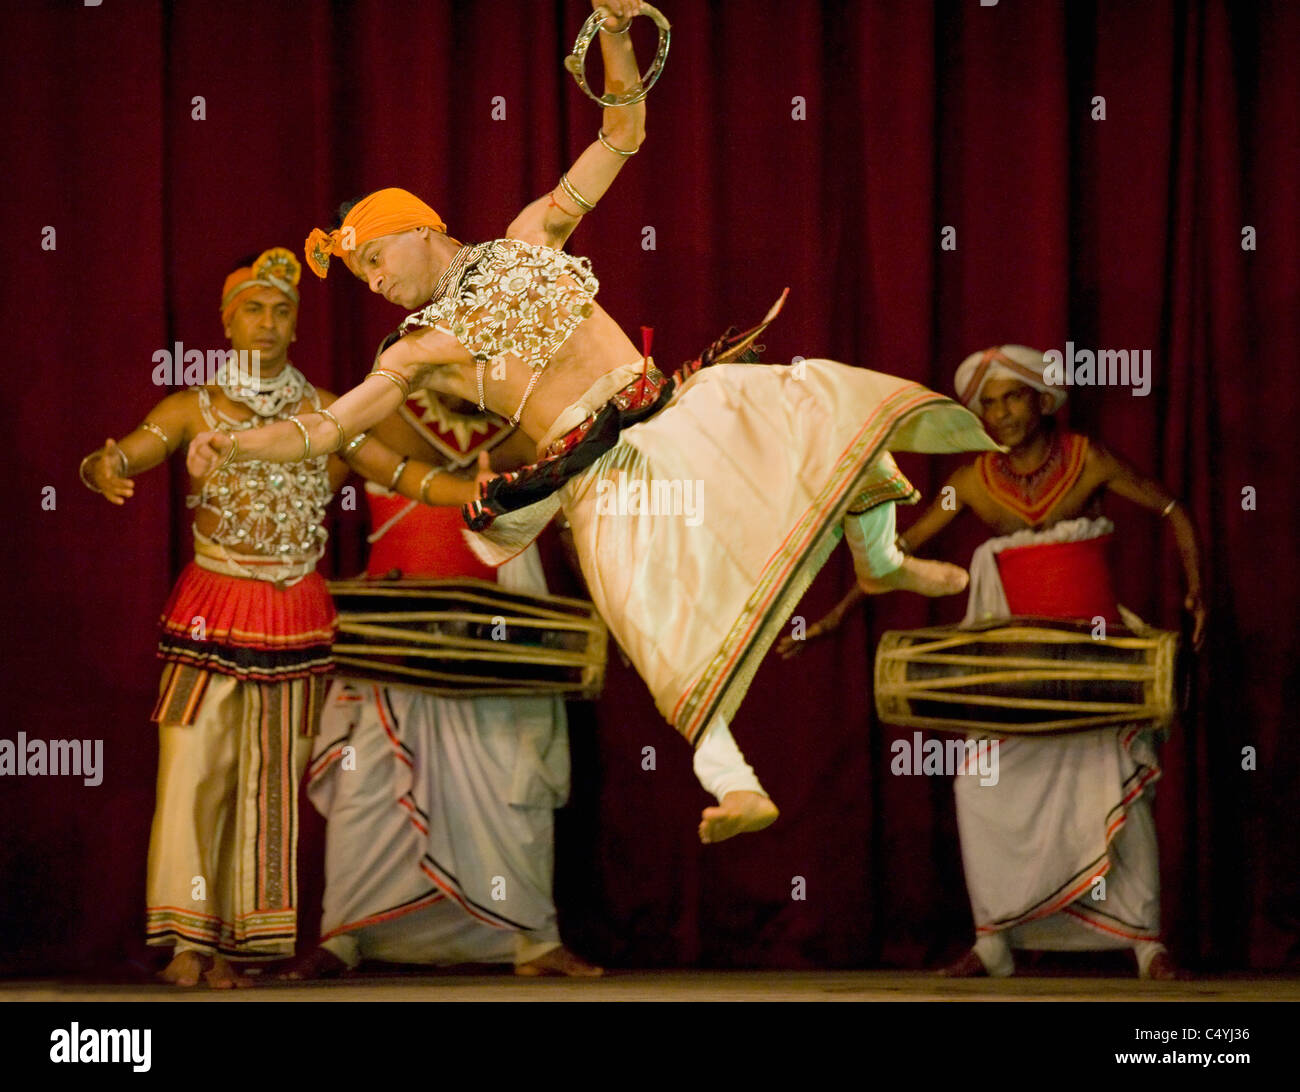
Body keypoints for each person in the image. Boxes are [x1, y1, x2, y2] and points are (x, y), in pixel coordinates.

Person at [188, 0, 999, 844]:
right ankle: (733, 782)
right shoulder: (418, 349)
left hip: (670, 411)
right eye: (359, 273)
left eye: (374, 258)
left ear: (420, 229)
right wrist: (237, 442)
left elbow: (622, 131)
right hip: (599, 477)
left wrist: (614, 33)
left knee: (818, 410)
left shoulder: (530, 237)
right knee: (650, 619)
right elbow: (328, 429)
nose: (373, 282)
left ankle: (882, 560)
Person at [81, 247, 474, 988]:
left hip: (294, 613)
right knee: (194, 776)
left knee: (268, 786)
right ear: (227, 322)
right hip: (214, 607)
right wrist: (101, 469)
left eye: (281, 310)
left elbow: (406, 475)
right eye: (253, 308)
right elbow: (126, 455)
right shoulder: (190, 408)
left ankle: (239, 944)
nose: (268, 321)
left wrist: (486, 493)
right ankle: (188, 944)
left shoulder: (329, 413)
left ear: (296, 324)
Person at [788, 345, 1205, 979]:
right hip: (1014, 672)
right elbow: (896, 555)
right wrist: (835, 617)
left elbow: (1171, 508)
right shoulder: (970, 486)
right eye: (989, 402)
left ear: (1043, 400)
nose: (1002, 411)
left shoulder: (1087, 460)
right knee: (978, 789)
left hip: (1096, 667)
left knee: (1115, 793)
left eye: (1013, 396)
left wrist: (1196, 587)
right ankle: (994, 941)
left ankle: (1146, 942)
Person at [286, 394, 601, 978]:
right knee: (366, 788)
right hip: (392, 644)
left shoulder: (523, 425)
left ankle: (533, 940)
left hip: (501, 645)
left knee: (513, 780)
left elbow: (575, 524)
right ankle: (345, 936)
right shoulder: (374, 419)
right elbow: (297, 509)